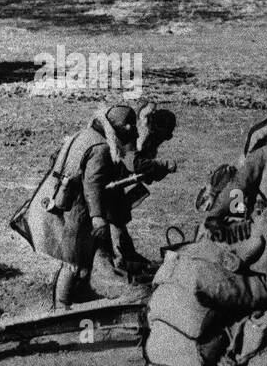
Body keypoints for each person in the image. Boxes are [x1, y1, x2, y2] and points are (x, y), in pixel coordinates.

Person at [19, 105, 138, 310]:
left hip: (66, 201)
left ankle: (81, 293)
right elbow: (93, 185)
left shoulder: (86, 134)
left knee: (83, 256)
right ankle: (62, 304)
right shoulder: (100, 147)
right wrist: (98, 216)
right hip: (77, 209)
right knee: (72, 261)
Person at [105, 102, 177, 274]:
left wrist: (158, 169)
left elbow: (146, 173)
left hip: (116, 182)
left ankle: (127, 257)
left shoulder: (149, 139)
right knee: (114, 220)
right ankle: (122, 262)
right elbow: (134, 163)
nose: (167, 138)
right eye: (165, 133)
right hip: (106, 180)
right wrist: (163, 165)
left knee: (118, 220)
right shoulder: (132, 132)